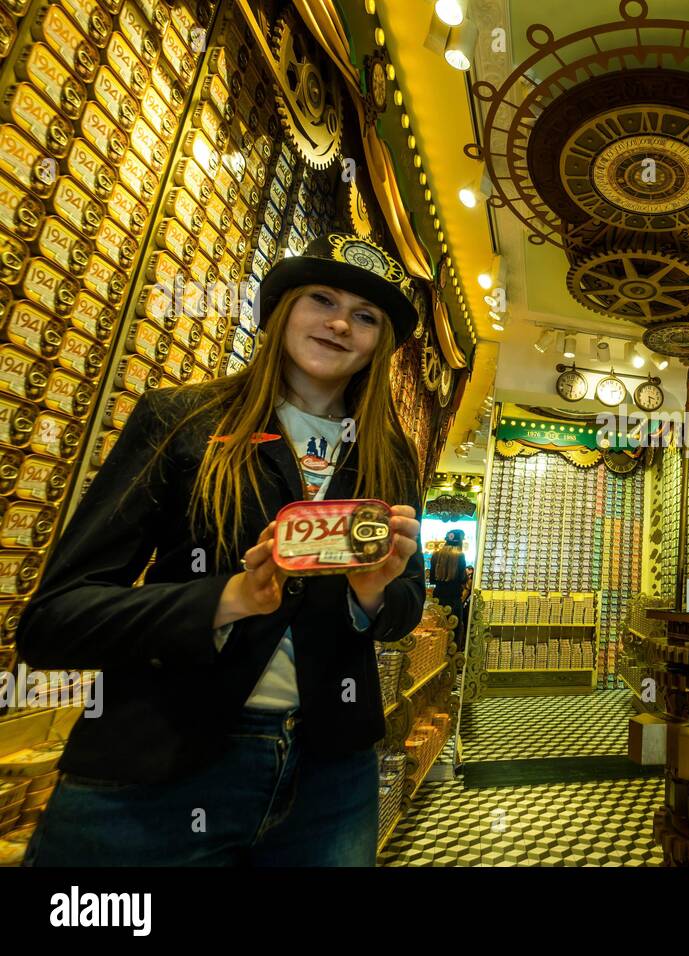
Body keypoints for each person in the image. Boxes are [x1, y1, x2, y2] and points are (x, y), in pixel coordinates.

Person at [16, 232, 428, 866]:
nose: (342, 323)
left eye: (367, 315)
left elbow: (406, 605)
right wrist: (229, 598)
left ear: (380, 343)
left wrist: (372, 597)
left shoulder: (388, 456)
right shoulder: (182, 420)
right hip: (159, 767)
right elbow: (56, 620)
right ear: (282, 308)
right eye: (322, 298)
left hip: (330, 774)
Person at [430, 529, 468, 648]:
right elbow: (462, 579)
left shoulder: (436, 555)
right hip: (454, 599)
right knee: (453, 633)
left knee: (437, 631)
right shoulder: (460, 556)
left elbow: (432, 579)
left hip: (438, 598)